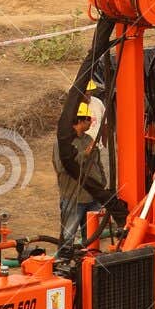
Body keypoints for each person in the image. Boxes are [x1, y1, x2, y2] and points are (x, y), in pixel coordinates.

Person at [52, 103, 105, 243]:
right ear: (80, 121)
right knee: (68, 237)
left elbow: (97, 165)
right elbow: (62, 167)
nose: (91, 123)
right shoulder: (63, 144)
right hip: (74, 198)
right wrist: (84, 155)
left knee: (92, 238)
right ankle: (65, 260)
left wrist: (102, 185)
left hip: (92, 197)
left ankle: (89, 260)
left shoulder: (88, 140)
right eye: (89, 119)